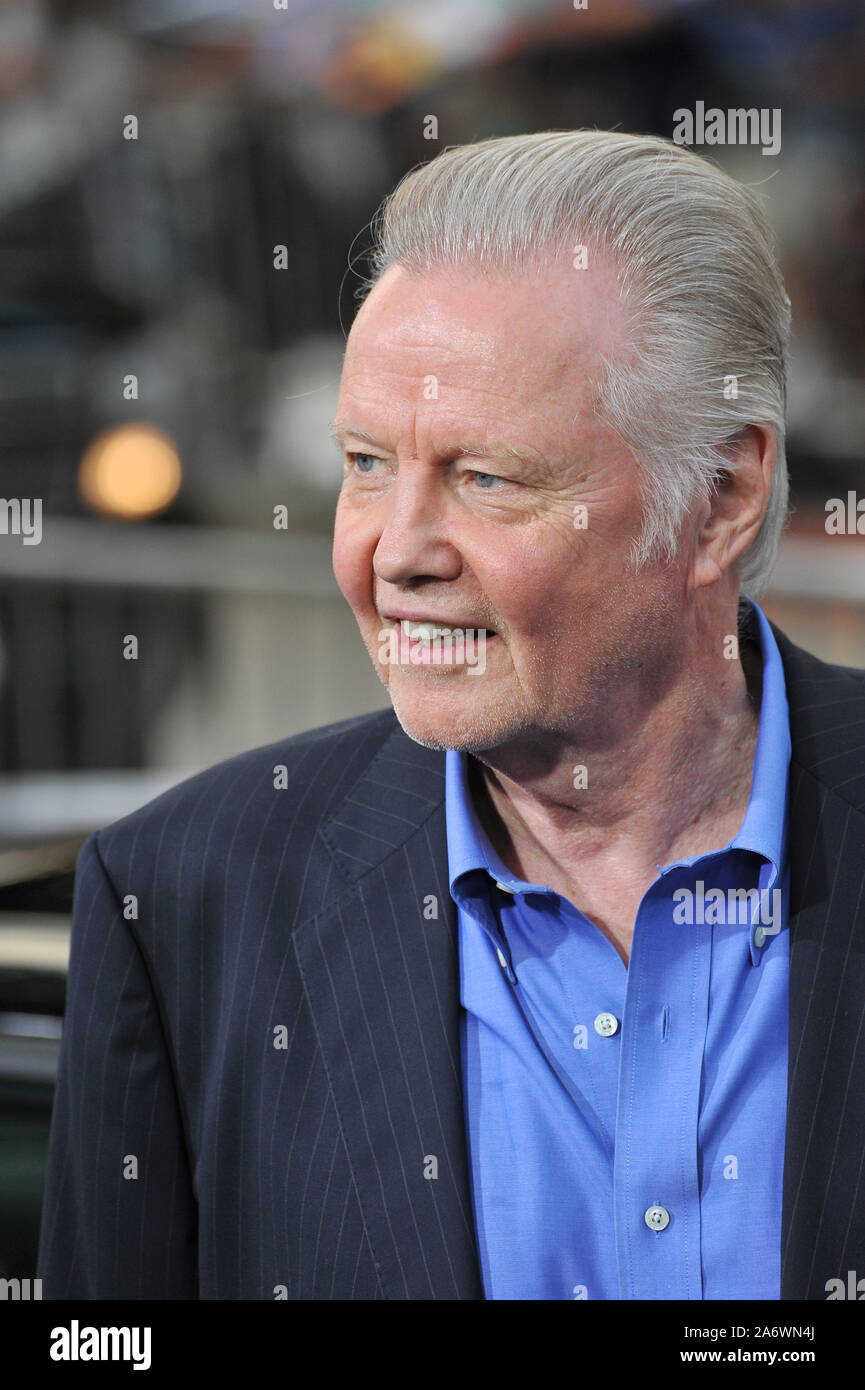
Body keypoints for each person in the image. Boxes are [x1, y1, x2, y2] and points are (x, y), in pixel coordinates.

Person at [38, 130, 865, 1300]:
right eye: (367, 463)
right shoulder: (180, 896)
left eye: (487, 478)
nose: (396, 552)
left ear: (721, 495)